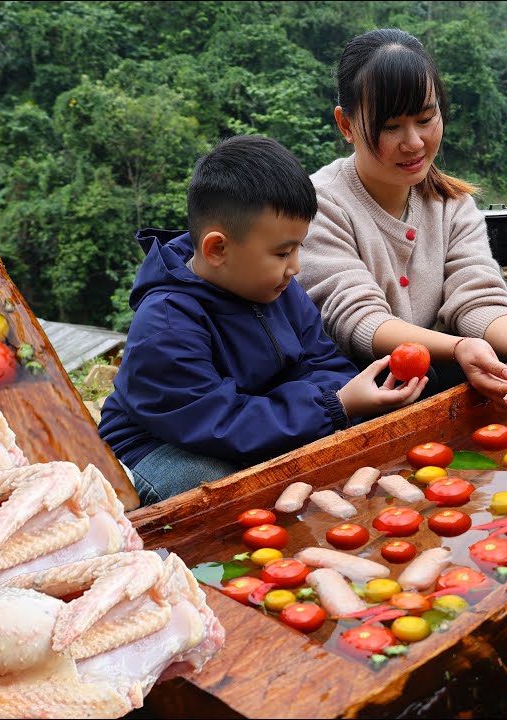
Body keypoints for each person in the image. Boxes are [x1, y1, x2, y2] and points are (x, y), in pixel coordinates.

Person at [99, 135, 427, 506]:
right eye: (283, 252)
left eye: (298, 248)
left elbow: (320, 361)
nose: (296, 267)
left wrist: (344, 399)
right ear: (218, 249)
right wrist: (333, 406)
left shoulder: (276, 287)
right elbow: (220, 423)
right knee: (208, 483)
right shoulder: (167, 322)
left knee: (345, 438)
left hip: (254, 420)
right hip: (158, 446)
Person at [298, 28, 507, 411]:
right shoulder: (320, 205)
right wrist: (459, 346)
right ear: (346, 125)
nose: (413, 142)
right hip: (348, 397)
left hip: (425, 383)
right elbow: (359, 319)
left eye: (426, 119)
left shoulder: (451, 203)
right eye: (390, 126)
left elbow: (478, 301)